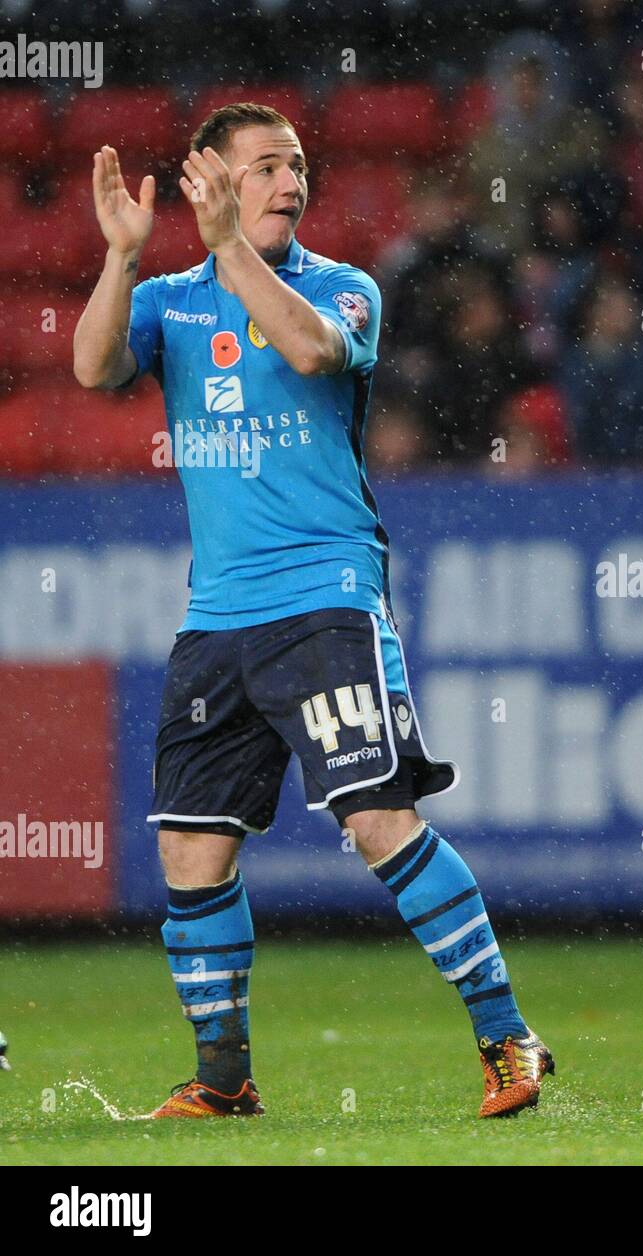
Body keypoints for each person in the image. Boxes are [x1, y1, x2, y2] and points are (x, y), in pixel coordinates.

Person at [71, 104, 553, 1120]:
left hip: (324, 600)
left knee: (377, 817)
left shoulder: (345, 287)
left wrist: (228, 250)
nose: (290, 182)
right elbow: (93, 367)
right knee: (190, 851)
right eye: (264, 168)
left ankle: (507, 1036)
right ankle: (222, 1078)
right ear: (209, 179)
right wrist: (121, 258)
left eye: (296, 166)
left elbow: (310, 352)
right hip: (216, 618)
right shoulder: (171, 299)